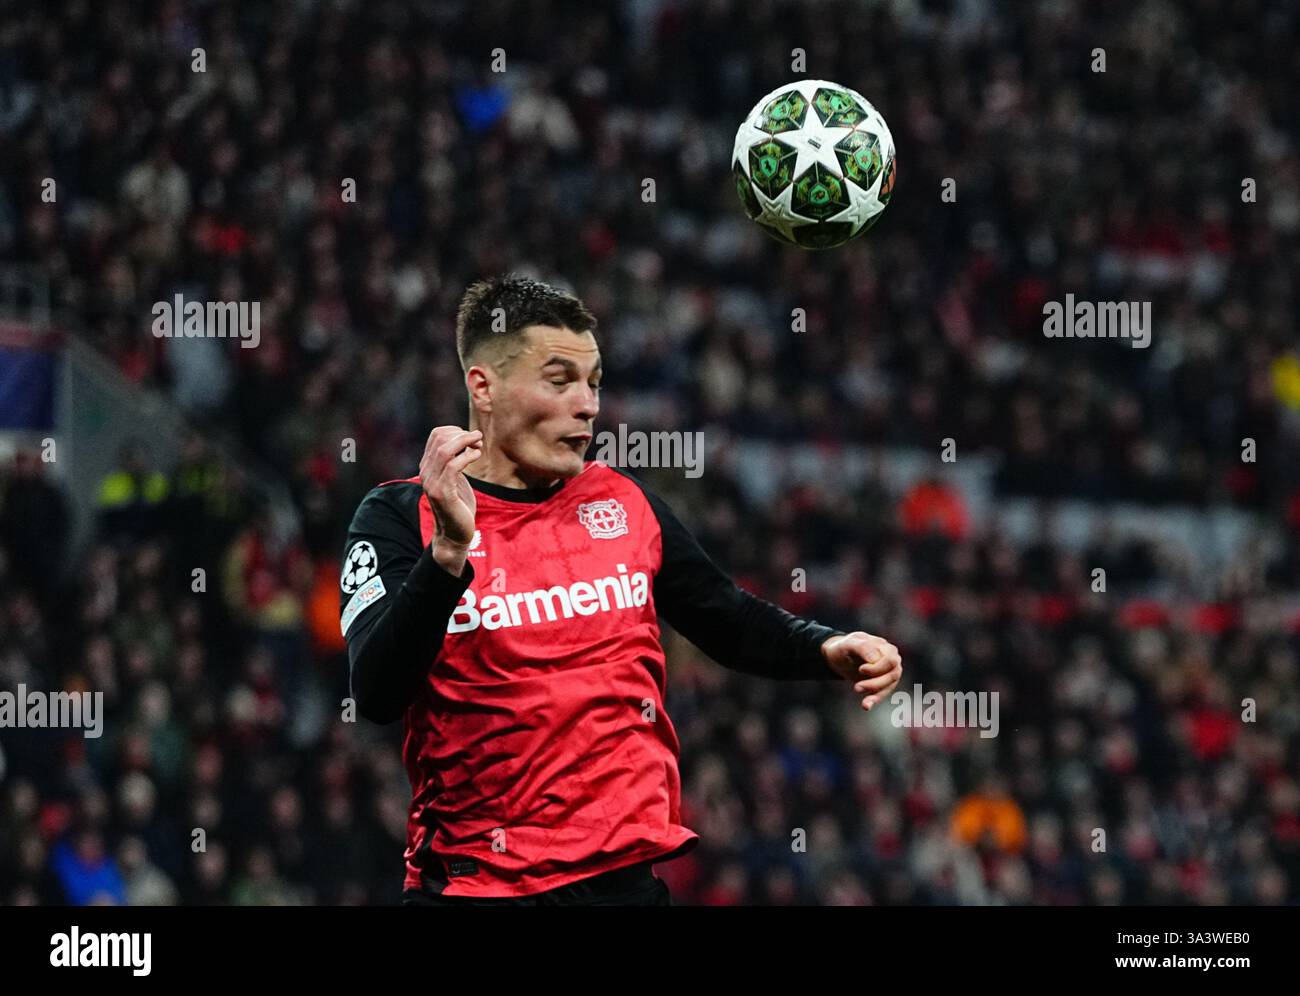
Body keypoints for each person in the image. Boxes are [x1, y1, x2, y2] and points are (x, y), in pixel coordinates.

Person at [339, 275, 903, 906]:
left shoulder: (625, 506)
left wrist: (826, 647)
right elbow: (377, 692)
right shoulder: (398, 517)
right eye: (559, 381)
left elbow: (727, 617)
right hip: (476, 887)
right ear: (483, 387)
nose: (586, 405)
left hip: (622, 886)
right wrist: (447, 553)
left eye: (594, 383)